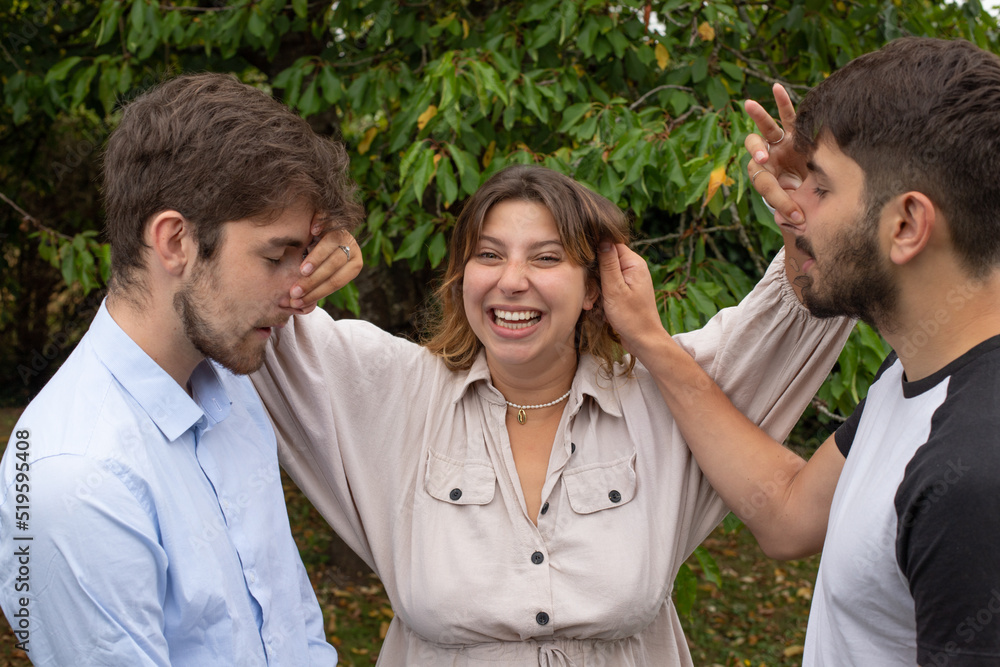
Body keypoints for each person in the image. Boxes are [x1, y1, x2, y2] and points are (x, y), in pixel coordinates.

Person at [249, 163, 855, 665]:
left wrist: (811, 206)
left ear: (594, 288)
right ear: (463, 277)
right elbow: (251, 317)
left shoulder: (668, 393)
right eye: (489, 254)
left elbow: (801, 312)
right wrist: (303, 249)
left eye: (545, 258)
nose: (512, 281)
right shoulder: (393, 393)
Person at [598, 37, 1000, 666]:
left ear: (906, 225)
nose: (790, 210)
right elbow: (787, 514)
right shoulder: (917, 377)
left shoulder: (973, 478)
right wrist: (650, 341)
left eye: (821, 188)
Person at [0, 72, 363, 665]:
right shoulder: (75, 480)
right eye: (277, 256)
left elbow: (293, 626)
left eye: (302, 256)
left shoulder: (232, 380)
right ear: (174, 242)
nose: (299, 291)